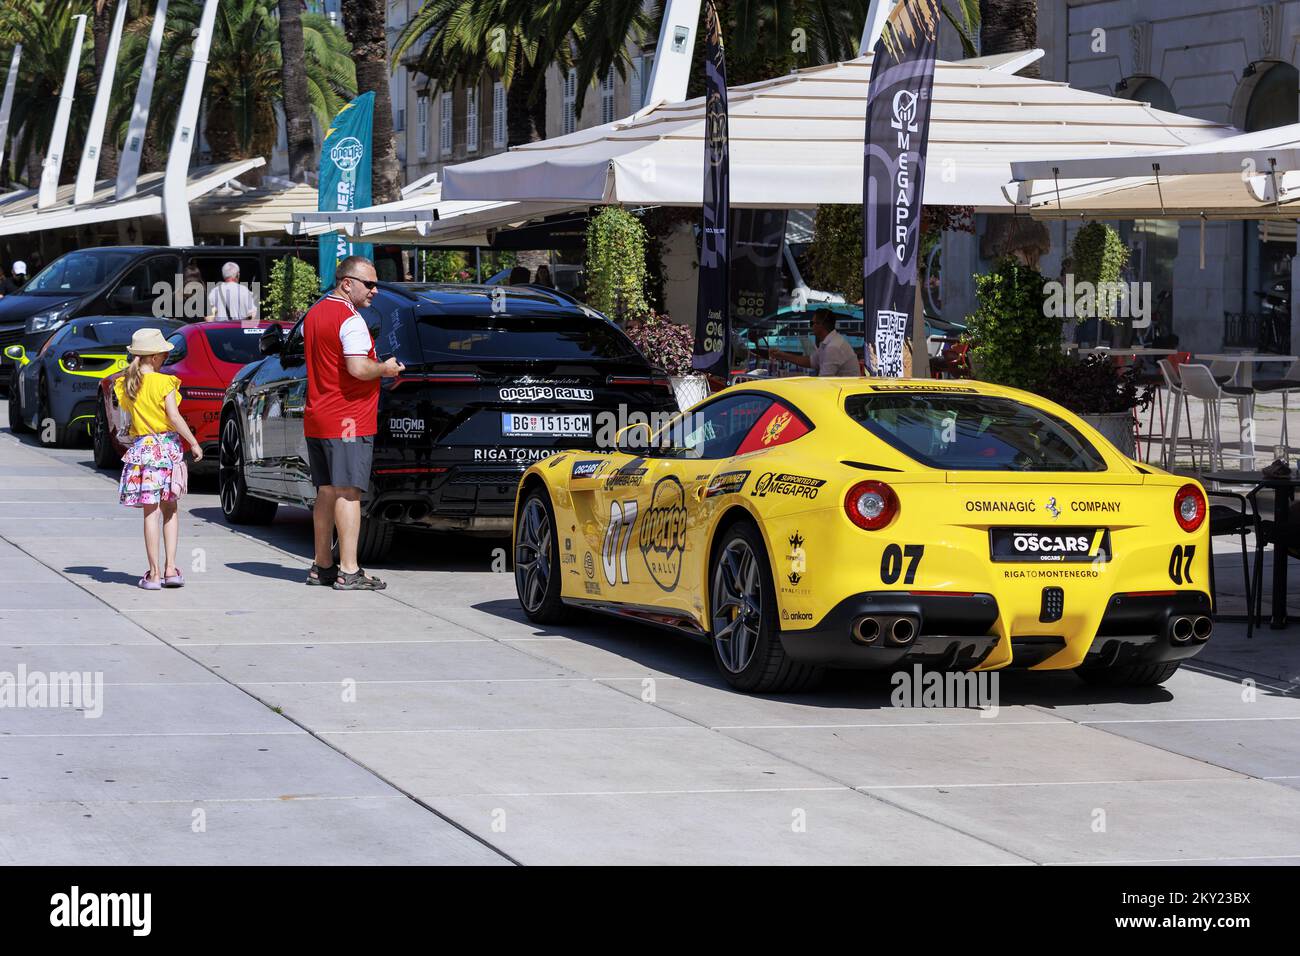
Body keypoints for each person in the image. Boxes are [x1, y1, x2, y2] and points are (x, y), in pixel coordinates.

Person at [302, 255, 404, 591]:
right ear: (347, 283)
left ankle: (322, 565)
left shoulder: (315, 313)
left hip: (319, 415)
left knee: (326, 491)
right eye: (369, 284)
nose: (375, 290)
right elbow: (358, 368)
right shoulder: (351, 319)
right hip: (348, 417)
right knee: (348, 492)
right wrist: (385, 368)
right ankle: (348, 570)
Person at [113, 328, 203, 590]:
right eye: (164, 354)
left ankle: (153, 575)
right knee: (170, 509)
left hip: (143, 452)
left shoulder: (126, 384)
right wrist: (193, 442)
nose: (166, 357)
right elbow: (173, 417)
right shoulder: (165, 382)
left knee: (150, 513)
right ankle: (171, 570)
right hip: (167, 451)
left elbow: (126, 420)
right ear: (153, 357)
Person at [768, 309, 861, 377]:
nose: (811, 326)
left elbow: (823, 381)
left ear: (821, 325)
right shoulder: (829, 342)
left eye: (812, 323)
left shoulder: (833, 347)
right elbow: (811, 361)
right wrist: (781, 355)